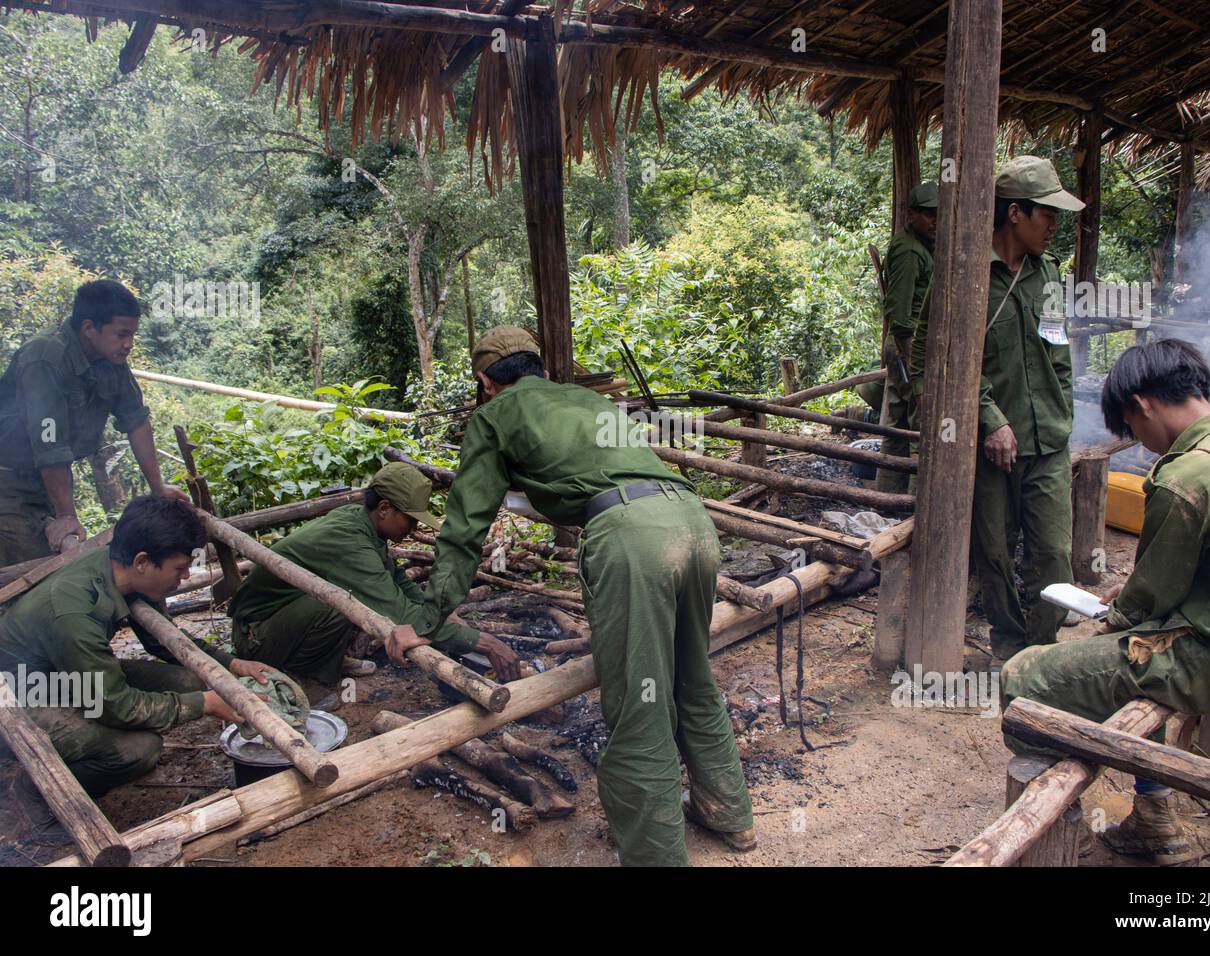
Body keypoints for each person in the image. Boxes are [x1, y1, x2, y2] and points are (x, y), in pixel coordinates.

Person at [424, 326, 754, 866]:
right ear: (540, 369)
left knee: (640, 699)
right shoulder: (583, 397)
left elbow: (465, 526)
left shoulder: (494, 416)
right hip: (692, 522)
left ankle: (654, 855)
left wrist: (431, 612)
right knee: (692, 674)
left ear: (486, 382)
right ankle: (729, 816)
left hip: (632, 538)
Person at [1001, 339, 1210, 864]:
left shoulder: (1186, 477)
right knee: (1117, 658)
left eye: (1132, 430)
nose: (1142, 445)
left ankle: (1060, 823)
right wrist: (1141, 588)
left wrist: (1114, 612)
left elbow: (1147, 606)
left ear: (1141, 404)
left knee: (1026, 676)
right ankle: (1153, 814)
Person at [0, 496, 265, 844]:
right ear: (143, 561)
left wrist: (231, 663)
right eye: (180, 568)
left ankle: (86, 738)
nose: (186, 576)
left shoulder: (123, 569)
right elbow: (117, 706)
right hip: (22, 693)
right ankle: (36, 789)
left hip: (69, 674)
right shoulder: (73, 614)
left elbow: (163, 642)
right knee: (138, 751)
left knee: (187, 680)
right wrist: (208, 704)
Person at [910, 156, 1083, 660]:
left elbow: (1060, 355)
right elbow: (931, 357)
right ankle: (1009, 648)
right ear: (1015, 215)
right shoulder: (963, 274)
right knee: (995, 553)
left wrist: (1062, 415)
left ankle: (1043, 651)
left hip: (1048, 441)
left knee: (1053, 553)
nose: (1054, 225)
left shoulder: (1049, 274)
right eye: (1046, 215)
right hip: (986, 448)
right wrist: (990, 418)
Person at [226, 461, 518, 707]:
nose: (414, 529)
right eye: (410, 520)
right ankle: (301, 679)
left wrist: (436, 613)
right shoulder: (349, 542)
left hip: (282, 617)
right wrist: (485, 642)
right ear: (385, 508)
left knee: (344, 599)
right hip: (255, 635)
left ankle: (326, 661)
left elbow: (395, 578)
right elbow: (399, 611)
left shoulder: (360, 521)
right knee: (342, 603)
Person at [0, 280, 187, 567]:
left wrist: (157, 485)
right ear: (89, 328)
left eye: (132, 335)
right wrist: (65, 516)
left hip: (46, 479)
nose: (129, 344)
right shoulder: (44, 358)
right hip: (8, 482)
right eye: (122, 334)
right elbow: (50, 444)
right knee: (34, 573)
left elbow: (136, 420)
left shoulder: (110, 360)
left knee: (54, 560)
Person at [874, 181, 937, 494]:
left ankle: (889, 498)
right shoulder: (909, 251)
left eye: (939, 215)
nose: (935, 221)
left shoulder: (924, 246)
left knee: (900, 425)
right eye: (928, 215)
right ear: (912, 215)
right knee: (918, 425)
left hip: (908, 347)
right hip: (906, 347)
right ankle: (912, 504)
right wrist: (916, 363)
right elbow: (899, 314)